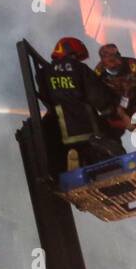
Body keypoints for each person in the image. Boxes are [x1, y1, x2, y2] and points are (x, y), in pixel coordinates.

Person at [36, 37, 113, 173]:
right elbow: (97, 95)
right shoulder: (79, 68)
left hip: (61, 131)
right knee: (106, 151)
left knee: (73, 153)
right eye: (78, 56)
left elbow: (45, 98)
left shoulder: (44, 73)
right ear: (73, 52)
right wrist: (109, 109)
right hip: (87, 127)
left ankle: (74, 164)